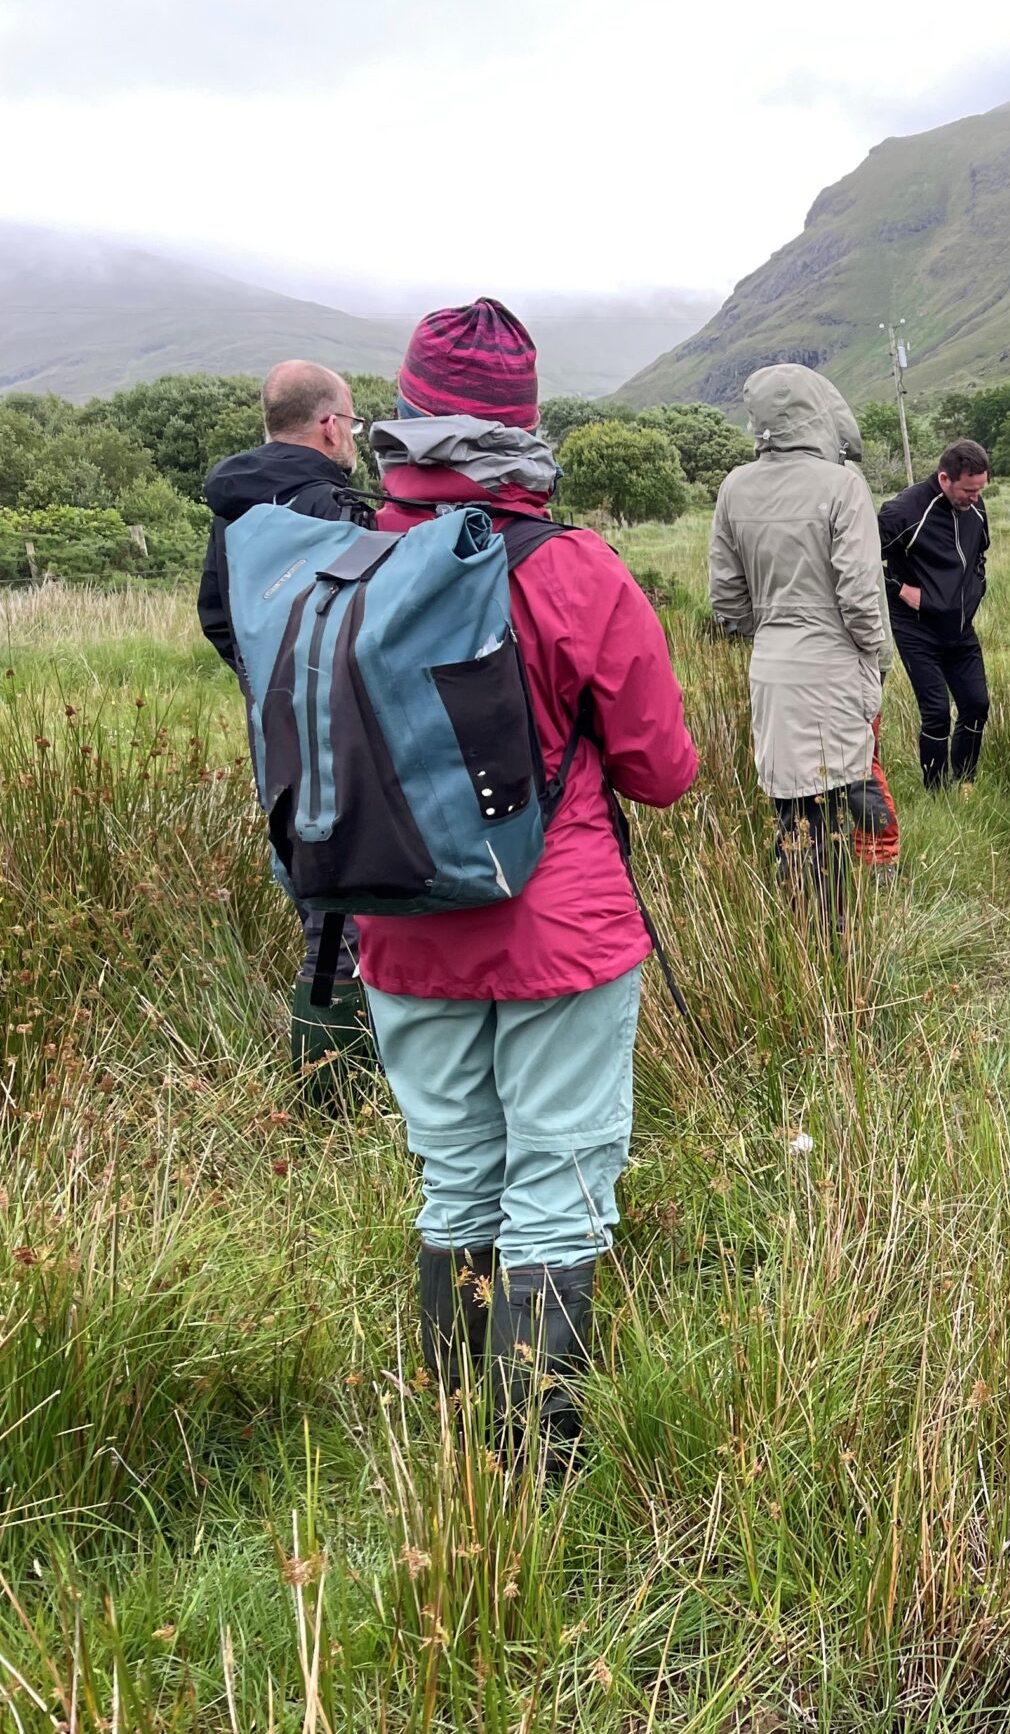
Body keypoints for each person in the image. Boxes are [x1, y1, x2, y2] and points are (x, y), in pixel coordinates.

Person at [357, 299, 700, 1463]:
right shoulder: (573, 571)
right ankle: (538, 1470)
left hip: (397, 930)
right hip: (558, 931)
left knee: (454, 1182)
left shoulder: (352, 564)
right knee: (555, 1186)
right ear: (527, 424)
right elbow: (660, 771)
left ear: (402, 416)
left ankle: (456, 1451)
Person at [199, 360, 376, 1101]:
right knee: (368, 918)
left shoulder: (235, 511)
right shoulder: (335, 506)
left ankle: (324, 1097)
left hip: (276, 742)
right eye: (354, 424)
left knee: (320, 914)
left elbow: (217, 616)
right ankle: (346, 1098)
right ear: (330, 425)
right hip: (350, 740)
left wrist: (268, 686)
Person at [710, 364, 898, 913]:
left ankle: (803, 935)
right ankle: (841, 937)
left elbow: (726, 599)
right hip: (837, 663)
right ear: (820, 412)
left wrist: (771, 628)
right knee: (847, 793)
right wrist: (877, 656)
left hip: (771, 668)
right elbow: (862, 594)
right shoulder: (843, 485)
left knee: (795, 810)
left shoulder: (733, 488)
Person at [879, 440, 993, 789]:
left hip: (960, 628)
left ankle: (965, 782)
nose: (975, 497)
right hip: (917, 630)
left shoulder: (975, 507)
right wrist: (900, 589)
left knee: (976, 704)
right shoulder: (903, 512)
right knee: (937, 714)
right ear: (945, 479)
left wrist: (974, 588)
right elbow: (860, 560)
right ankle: (935, 791)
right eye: (968, 490)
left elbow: (979, 554)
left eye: (980, 490)